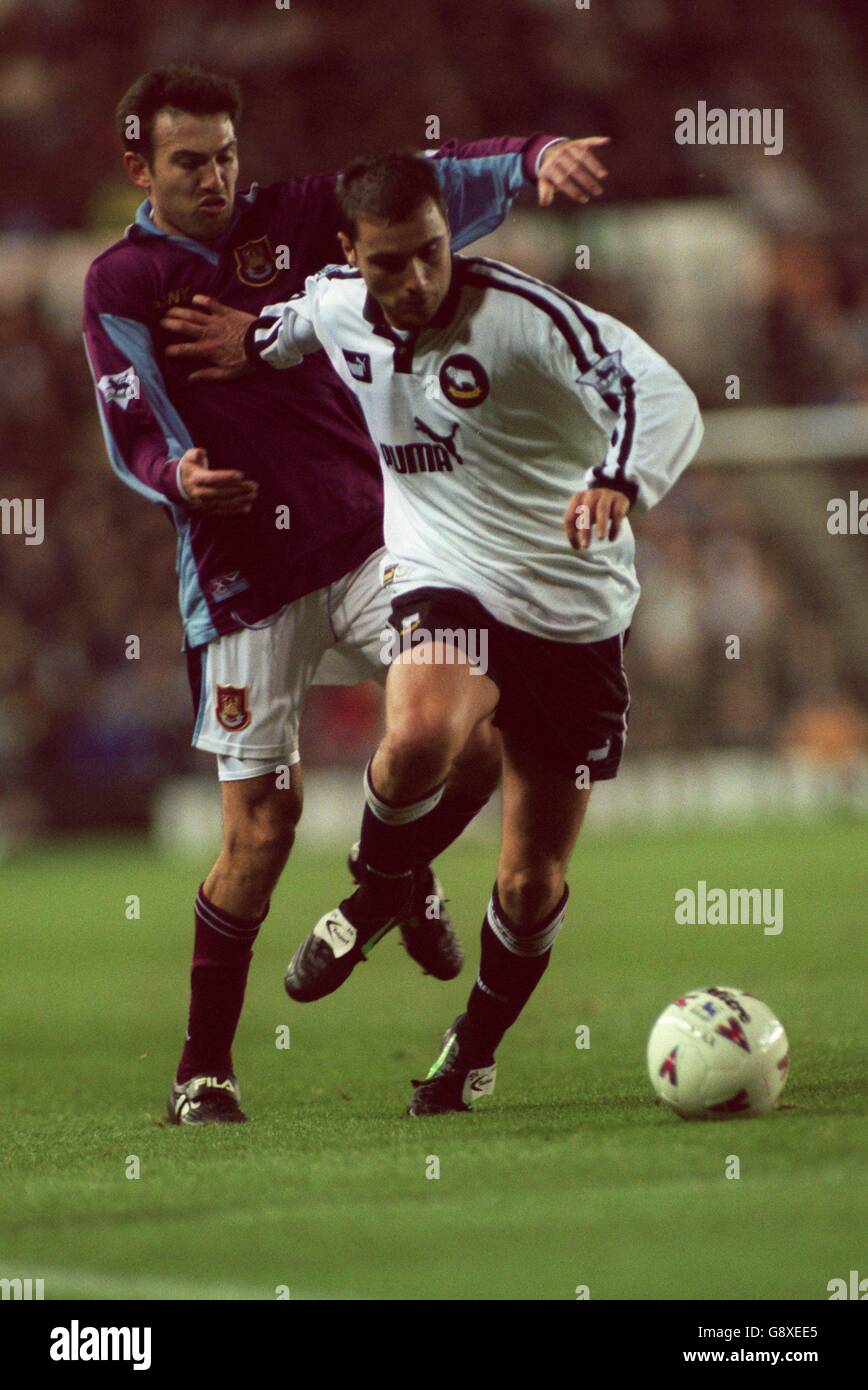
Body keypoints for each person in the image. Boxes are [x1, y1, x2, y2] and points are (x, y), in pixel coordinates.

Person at [83, 65, 614, 1124]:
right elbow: (128, 415)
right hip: (240, 580)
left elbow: (422, 195)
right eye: (190, 160)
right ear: (140, 165)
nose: (217, 176)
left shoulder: (299, 218)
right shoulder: (120, 281)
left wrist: (524, 157)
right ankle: (203, 1071)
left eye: (227, 152)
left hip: (377, 545)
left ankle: (386, 879)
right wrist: (174, 473)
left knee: (482, 732)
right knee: (262, 829)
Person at [172, 149, 704, 1116]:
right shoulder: (337, 303)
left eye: (430, 254)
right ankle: (381, 891)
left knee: (531, 876)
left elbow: (658, 391)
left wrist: (620, 480)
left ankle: (466, 1053)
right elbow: (292, 330)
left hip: (572, 603)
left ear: (446, 239)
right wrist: (246, 342)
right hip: (442, 573)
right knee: (419, 731)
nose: (414, 279)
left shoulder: (524, 319)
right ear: (350, 252)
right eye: (389, 262)